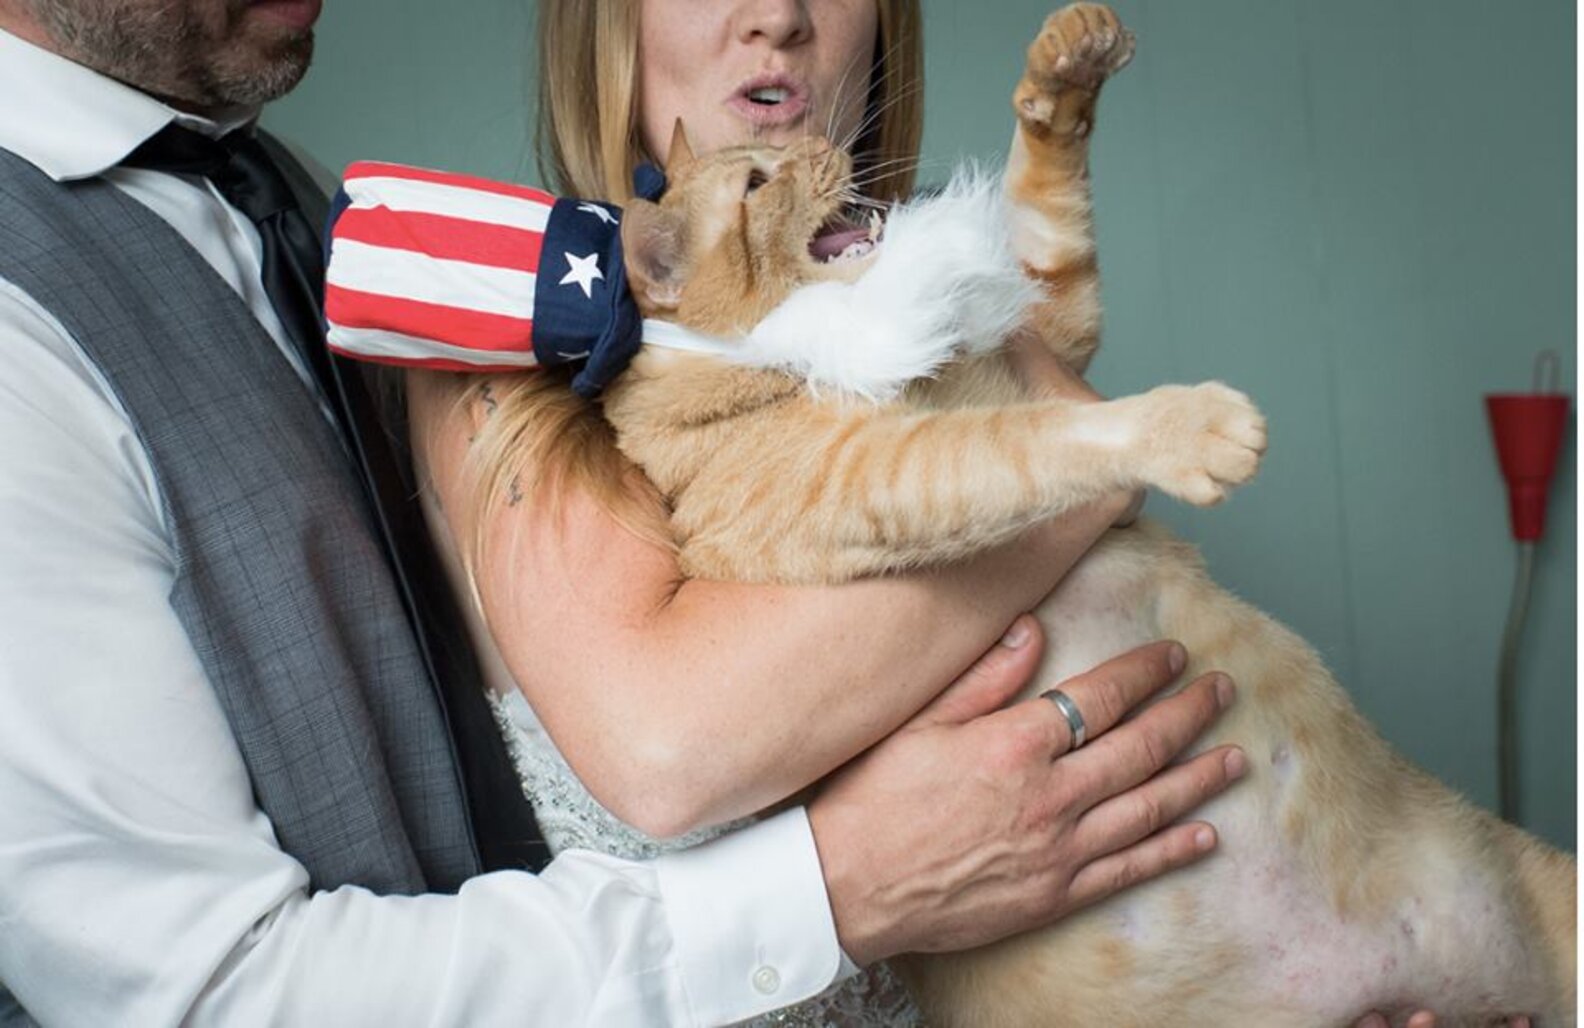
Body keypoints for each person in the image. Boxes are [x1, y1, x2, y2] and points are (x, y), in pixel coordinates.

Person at [0, 0, 1254, 1023]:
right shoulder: (502, 332)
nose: (779, 18)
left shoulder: (283, 200)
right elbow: (670, 752)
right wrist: (1093, 454)